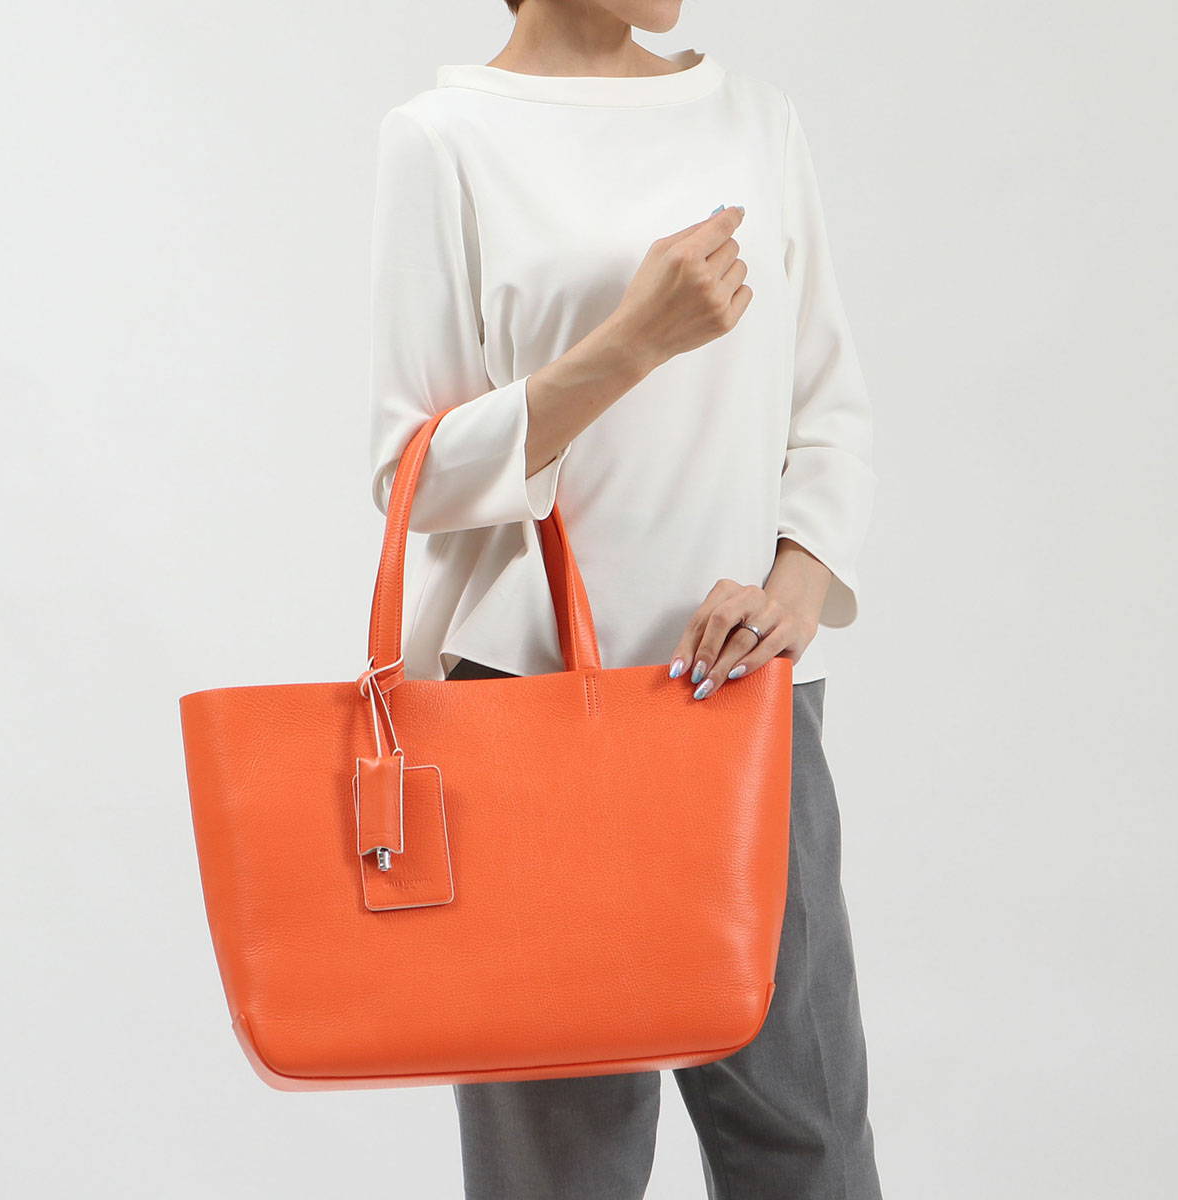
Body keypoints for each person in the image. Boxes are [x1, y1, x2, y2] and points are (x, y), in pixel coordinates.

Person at [367, 2, 884, 1197]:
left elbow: (829, 408)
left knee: (808, 1147)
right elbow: (412, 477)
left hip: (747, 703)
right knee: (558, 1170)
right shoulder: (444, 138)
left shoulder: (754, 121)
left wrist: (795, 588)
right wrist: (631, 343)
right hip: (525, 714)